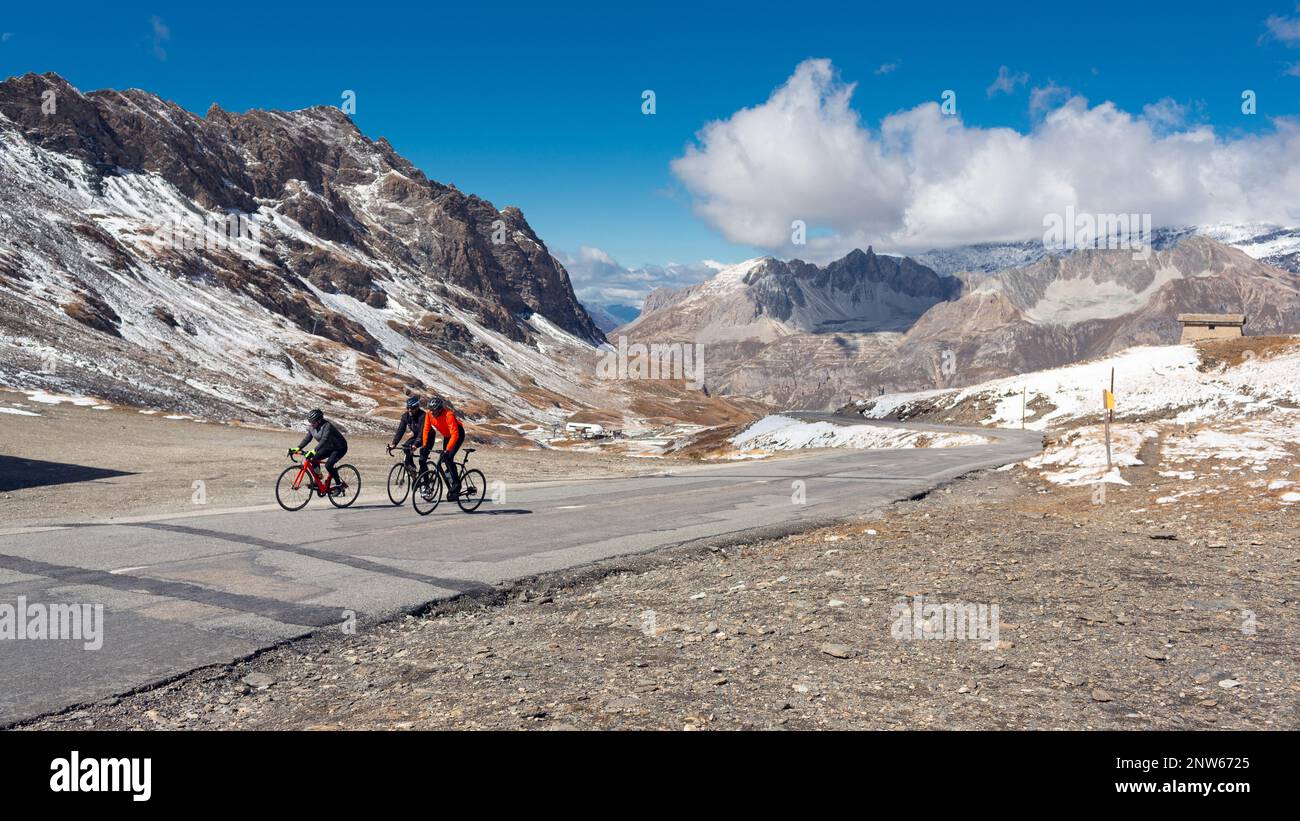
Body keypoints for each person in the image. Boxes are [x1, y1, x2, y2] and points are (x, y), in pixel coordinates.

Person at [291, 408, 349, 493]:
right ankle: (318, 480)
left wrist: (314, 450)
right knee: (314, 459)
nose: (312, 424)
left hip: (339, 448)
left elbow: (324, 440)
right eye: (310, 422)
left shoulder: (327, 427)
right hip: (328, 447)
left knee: (329, 465)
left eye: (313, 422)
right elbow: (307, 438)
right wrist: (298, 447)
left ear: (319, 420)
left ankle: (339, 485)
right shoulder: (312, 427)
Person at [421, 394, 465, 499]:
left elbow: (455, 434)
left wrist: (447, 449)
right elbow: (426, 430)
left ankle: (457, 484)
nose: (432, 412)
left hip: (457, 435)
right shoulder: (429, 414)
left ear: (440, 409)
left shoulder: (448, 415)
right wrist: (424, 445)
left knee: (449, 458)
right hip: (447, 436)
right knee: (443, 459)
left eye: (434, 410)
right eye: (430, 410)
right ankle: (449, 475)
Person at [388, 395, 431, 475]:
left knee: (422, 461)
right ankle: (412, 468)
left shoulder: (423, 416)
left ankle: (425, 484)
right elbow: (400, 430)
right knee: (406, 447)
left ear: (417, 407)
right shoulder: (405, 416)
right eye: (408, 408)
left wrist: (415, 444)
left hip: (427, 437)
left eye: (412, 408)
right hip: (417, 435)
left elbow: (422, 432)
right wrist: (394, 443)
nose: (410, 410)